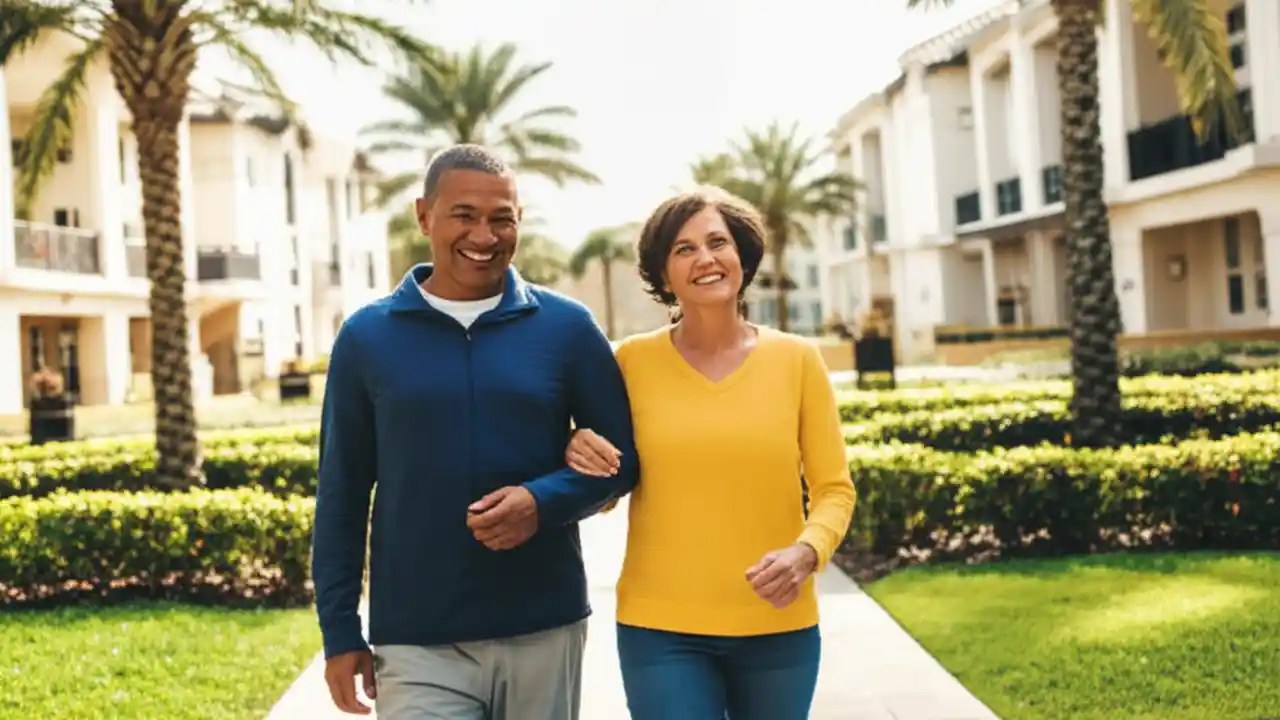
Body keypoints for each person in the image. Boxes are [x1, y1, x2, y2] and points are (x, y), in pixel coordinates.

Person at [311, 144, 639, 719]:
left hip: (544, 626)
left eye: (501, 218)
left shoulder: (566, 328)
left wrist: (543, 501)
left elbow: (623, 462)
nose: (484, 236)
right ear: (424, 216)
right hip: (417, 638)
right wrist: (340, 632)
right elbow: (341, 492)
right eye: (464, 215)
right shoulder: (366, 338)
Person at [564, 186, 856, 719]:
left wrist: (807, 551)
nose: (706, 259)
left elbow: (834, 488)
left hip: (777, 624)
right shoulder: (627, 364)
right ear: (663, 273)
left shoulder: (797, 362)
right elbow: (606, 484)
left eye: (717, 242)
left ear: (741, 254)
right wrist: (580, 453)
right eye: (684, 249)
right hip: (661, 628)